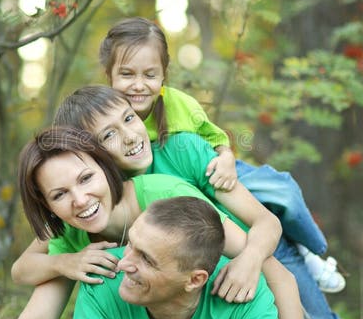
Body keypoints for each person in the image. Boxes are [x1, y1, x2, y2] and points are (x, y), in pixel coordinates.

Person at [54, 86, 363, 319]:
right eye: (108, 135)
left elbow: (267, 230)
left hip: (258, 246)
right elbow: (28, 265)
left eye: (129, 118)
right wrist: (63, 262)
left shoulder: (181, 150)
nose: (128, 136)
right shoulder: (91, 200)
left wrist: (249, 259)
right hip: (215, 260)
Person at [0, 126, 307, 319]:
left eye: (86, 178)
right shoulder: (71, 239)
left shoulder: (166, 196)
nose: (79, 200)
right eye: (60, 194)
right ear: (48, 205)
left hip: (249, 285)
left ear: (107, 169)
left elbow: (278, 276)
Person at [100, 17, 346, 294]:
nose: (138, 85)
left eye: (149, 75)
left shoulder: (179, 105)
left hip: (211, 167)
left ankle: (309, 249)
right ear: (109, 75)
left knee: (278, 192)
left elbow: (216, 137)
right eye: (127, 74)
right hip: (182, 185)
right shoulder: (105, 121)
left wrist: (227, 158)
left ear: (163, 74)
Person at [65, 196, 295, 319]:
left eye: (146, 259)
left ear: (195, 280)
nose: (124, 263)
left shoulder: (241, 287)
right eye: (131, 244)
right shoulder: (104, 278)